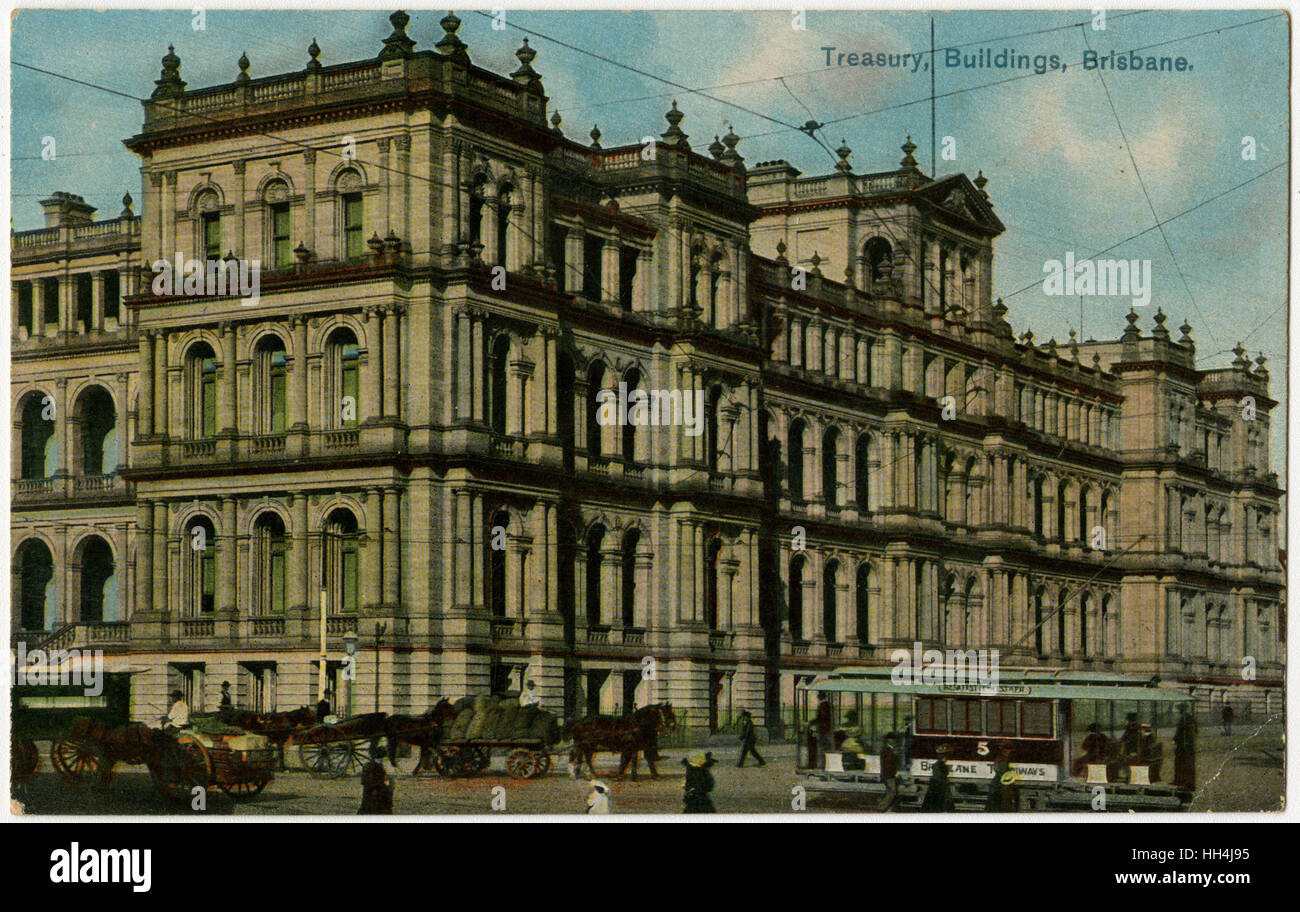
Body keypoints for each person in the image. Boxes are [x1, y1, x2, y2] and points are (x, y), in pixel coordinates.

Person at [986, 741, 1019, 812]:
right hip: (1002, 786)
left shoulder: (1002, 758)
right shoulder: (1002, 759)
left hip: (1000, 785)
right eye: (1008, 749)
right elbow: (1003, 773)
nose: (1009, 751)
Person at [359, 746, 394, 814]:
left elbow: (364, 781)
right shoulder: (379, 767)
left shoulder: (368, 766)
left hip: (369, 794)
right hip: (377, 793)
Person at [921, 744, 955, 812]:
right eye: (947, 755)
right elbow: (939, 777)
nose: (947, 757)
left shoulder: (939, 764)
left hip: (936, 787)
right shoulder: (939, 764)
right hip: (938, 788)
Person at [1173, 705, 1196, 790]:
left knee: (1182, 764)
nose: (1179, 711)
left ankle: (1183, 782)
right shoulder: (1188, 718)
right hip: (1187, 745)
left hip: (1184, 746)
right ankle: (1182, 781)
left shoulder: (1184, 719)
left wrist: (1176, 739)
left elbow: (1181, 732)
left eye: (1180, 709)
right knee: (1185, 764)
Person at [879, 733, 901, 812]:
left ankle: (887, 807)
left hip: (889, 774)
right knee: (892, 792)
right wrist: (894, 774)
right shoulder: (888, 750)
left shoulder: (889, 750)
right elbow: (888, 764)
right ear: (889, 740)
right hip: (889, 775)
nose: (894, 741)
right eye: (893, 739)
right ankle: (882, 807)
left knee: (890, 791)